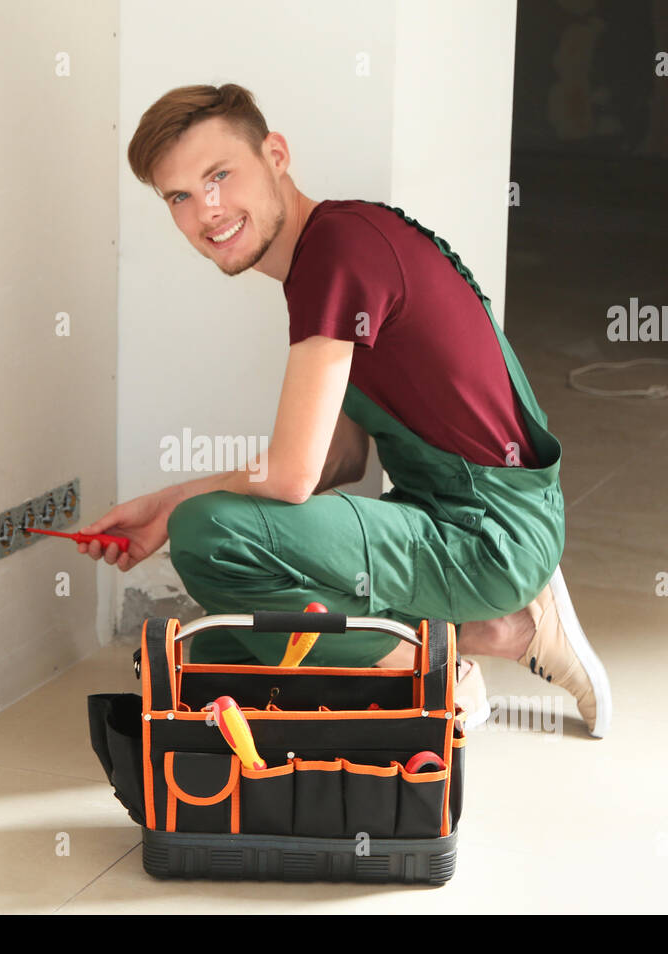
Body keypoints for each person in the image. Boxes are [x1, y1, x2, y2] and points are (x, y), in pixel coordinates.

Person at [77, 83, 611, 738]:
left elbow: (295, 475)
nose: (207, 212)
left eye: (219, 176)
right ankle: (496, 629)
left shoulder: (336, 255)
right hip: (450, 514)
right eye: (180, 197)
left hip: (487, 532)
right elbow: (342, 456)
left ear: (276, 154)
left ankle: (442, 665)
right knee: (223, 645)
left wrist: (173, 506)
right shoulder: (335, 245)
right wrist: (185, 503)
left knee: (208, 538)